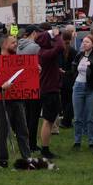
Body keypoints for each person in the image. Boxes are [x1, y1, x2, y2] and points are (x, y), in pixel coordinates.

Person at [0, 32, 34, 167]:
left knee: (23, 130)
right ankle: (2, 160)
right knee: (3, 132)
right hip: (2, 100)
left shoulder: (19, 60)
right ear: (4, 44)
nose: (16, 44)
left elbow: (26, 77)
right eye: (13, 42)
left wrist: (35, 70)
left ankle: (27, 158)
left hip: (17, 99)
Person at [34, 26, 68, 158]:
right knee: (47, 120)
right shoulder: (45, 52)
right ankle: (45, 149)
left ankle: (45, 148)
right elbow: (60, 47)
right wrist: (57, 34)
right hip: (49, 90)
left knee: (50, 119)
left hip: (49, 88)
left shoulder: (43, 52)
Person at [70, 33, 93, 148]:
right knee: (77, 117)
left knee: (91, 117)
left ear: (92, 44)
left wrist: (91, 65)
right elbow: (74, 67)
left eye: (87, 42)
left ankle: (91, 141)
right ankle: (77, 140)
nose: (84, 44)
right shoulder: (79, 55)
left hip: (90, 88)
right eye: (84, 41)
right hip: (78, 86)